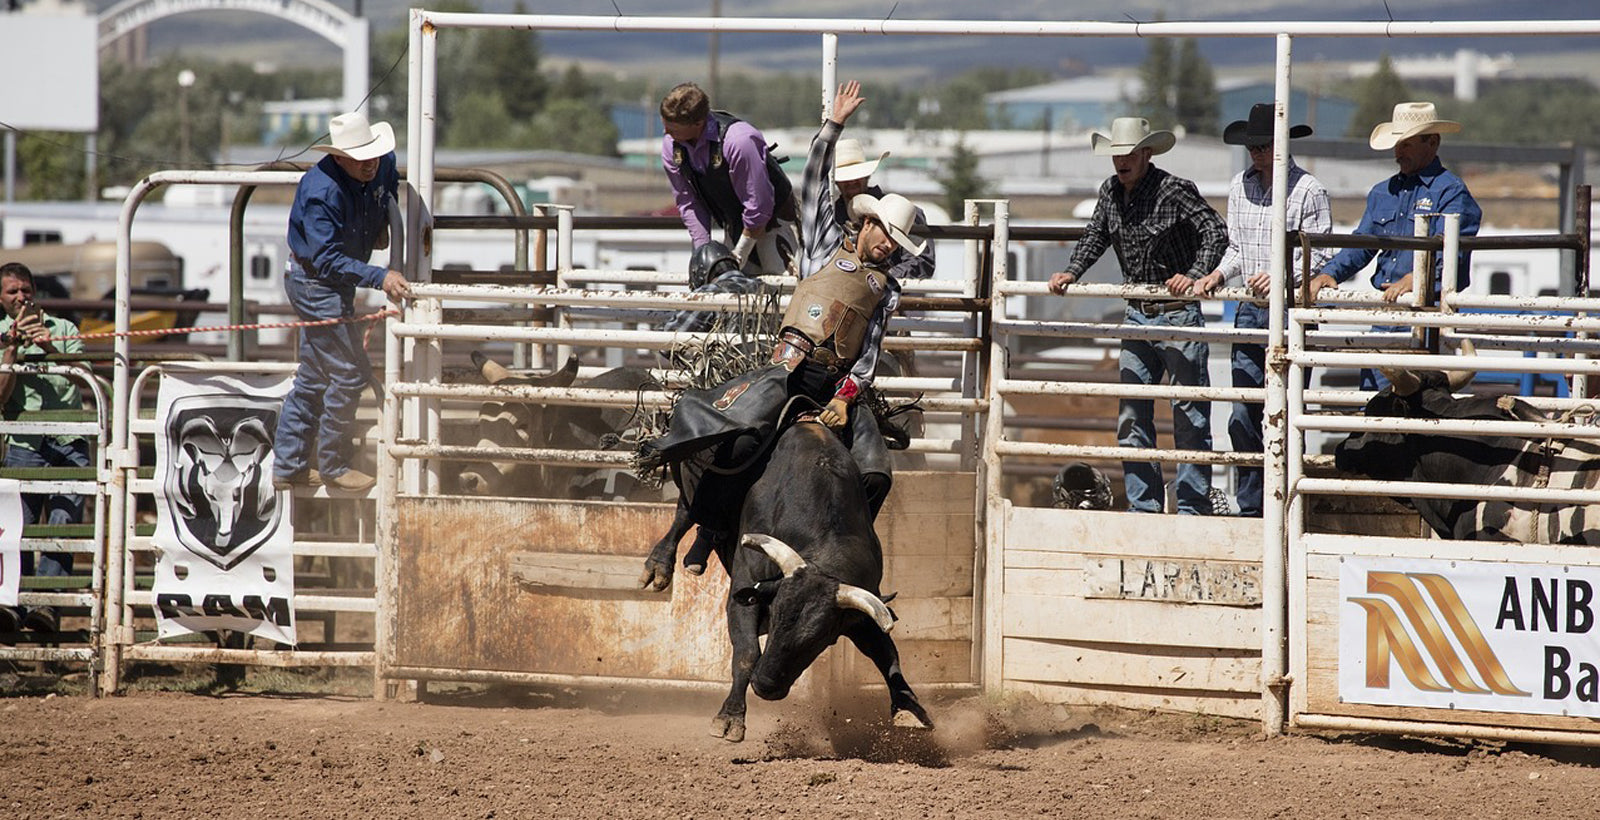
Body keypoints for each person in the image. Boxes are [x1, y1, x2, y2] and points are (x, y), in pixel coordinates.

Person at [640, 193, 923, 566]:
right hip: (790, 370)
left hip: (838, 386)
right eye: (886, 234)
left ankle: (847, 551)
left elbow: (869, 349)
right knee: (742, 440)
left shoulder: (886, 288)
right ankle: (707, 530)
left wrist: (845, 397)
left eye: (896, 243)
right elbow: (816, 183)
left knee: (875, 472)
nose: (888, 246)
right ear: (868, 223)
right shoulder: (824, 249)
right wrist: (831, 132)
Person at [1048, 117, 1228, 515]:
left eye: (1129, 153)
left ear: (1147, 153)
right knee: (1133, 415)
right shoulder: (1110, 192)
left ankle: (1193, 507)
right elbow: (1095, 235)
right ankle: (1144, 505)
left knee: (1189, 415)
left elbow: (1216, 231)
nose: (1121, 161)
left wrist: (1195, 274)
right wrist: (1072, 271)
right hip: (1137, 314)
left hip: (1178, 312)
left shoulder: (1175, 190)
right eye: (1117, 154)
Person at [1192, 103, 1333, 518]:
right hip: (1251, 309)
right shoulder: (1240, 185)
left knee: (1287, 409)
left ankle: (1288, 504)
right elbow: (1237, 248)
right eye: (1251, 144)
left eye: (1262, 144)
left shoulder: (1309, 189)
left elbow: (1321, 253)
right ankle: (1253, 507)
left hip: (1289, 311)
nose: (1255, 151)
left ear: (1280, 144)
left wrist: (1283, 277)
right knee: (1245, 410)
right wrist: (1218, 274)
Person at [273, 111, 413, 494]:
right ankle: (333, 463)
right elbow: (326, 259)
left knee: (317, 375)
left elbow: (387, 185)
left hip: (329, 282)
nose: (369, 162)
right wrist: (380, 275)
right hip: (314, 283)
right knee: (349, 372)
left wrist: (380, 223)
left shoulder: (382, 165)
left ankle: (289, 464)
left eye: (372, 153)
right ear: (338, 157)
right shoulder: (321, 191)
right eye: (359, 157)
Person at [1306, 101, 1482, 390]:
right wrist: (1332, 273)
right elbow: (1362, 243)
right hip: (1387, 315)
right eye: (1397, 144)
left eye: (1407, 144)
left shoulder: (1451, 191)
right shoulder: (1383, 192)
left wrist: (1418, 279)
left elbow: (1454, 256)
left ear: (1432, 143)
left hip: (1429, 319)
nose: (1398, 152)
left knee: (1419, 408)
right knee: (1376, 405)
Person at [0, 262, 89, 635]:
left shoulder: (64, 328)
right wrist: (11, 354)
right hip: (24, 439)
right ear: (1, 299)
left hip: (68, 437)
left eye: (25, 289)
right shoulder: (2, 336)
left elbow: (86, 375)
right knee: (16, 527)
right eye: (12, 291)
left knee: (63, 522)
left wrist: (49, 348)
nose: (21, 297)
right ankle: (14, 605)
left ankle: (46, 604)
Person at [800, 80, 936, 282]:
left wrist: (876, 281)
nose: (852, 183)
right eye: (846, 179)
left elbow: (921, 263)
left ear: (867, 175)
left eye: (856, 176)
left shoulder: (902, 212)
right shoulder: (828, 219)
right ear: (837, 182)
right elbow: (813, 173)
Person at [660, 82, 799, 276]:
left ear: (698, 123)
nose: (666, 133)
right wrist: (703, 251)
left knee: (780, 282)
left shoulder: (739, 141)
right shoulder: (672, 146)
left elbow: (759, 204)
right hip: (734, 223)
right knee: (727, 286)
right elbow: (688, 202)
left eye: (673, 129)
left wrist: (739, 253)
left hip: (775, 222)